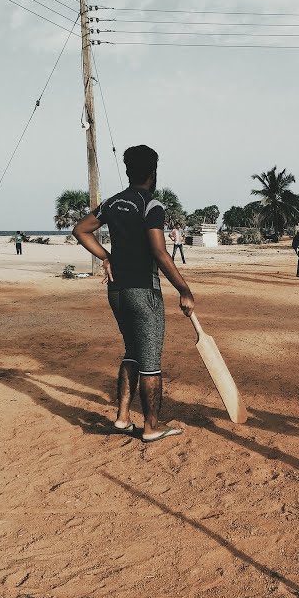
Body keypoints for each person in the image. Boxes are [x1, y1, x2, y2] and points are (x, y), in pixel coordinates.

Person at [72, 145, 195, 443]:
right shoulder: (151, 206)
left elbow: (80, 230)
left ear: (128, 171)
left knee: (132, 353)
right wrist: (185, 290)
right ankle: (151, 427)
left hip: (117, 292)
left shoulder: (112, 204)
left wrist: (106, 256)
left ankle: (123, 417)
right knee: (151, 361)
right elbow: (160, 253)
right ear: (153, 173)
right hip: (144, 292)